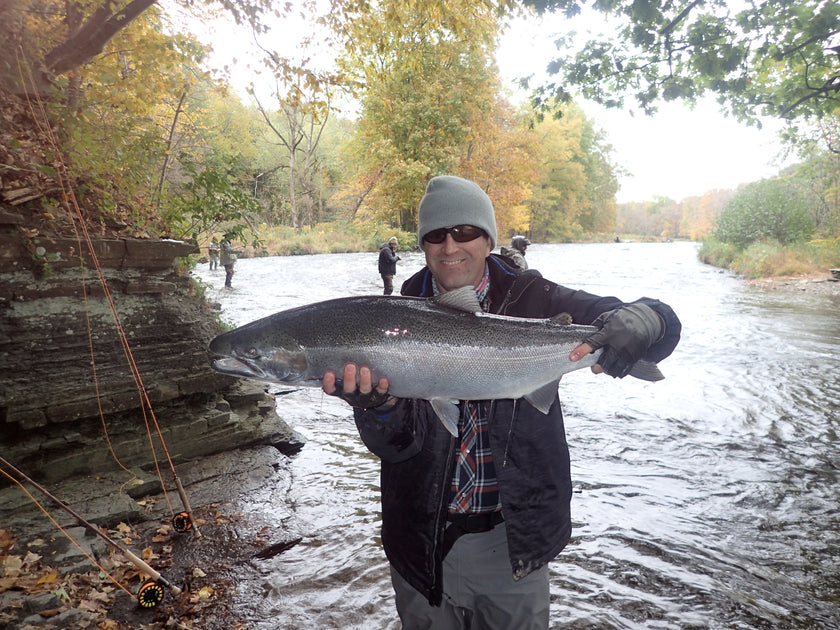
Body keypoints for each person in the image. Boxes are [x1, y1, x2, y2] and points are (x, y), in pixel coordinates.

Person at [322, 175, 681, 629]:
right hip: (420, 544)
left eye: (465, 232)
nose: (451, 246)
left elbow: (660, 324)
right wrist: (377, 406)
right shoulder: (393, 317)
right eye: (436, 235)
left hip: (513, 543)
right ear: (423, 245)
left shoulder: (537, 297)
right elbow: (393, 448)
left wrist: (646, 320)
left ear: (489, 238)